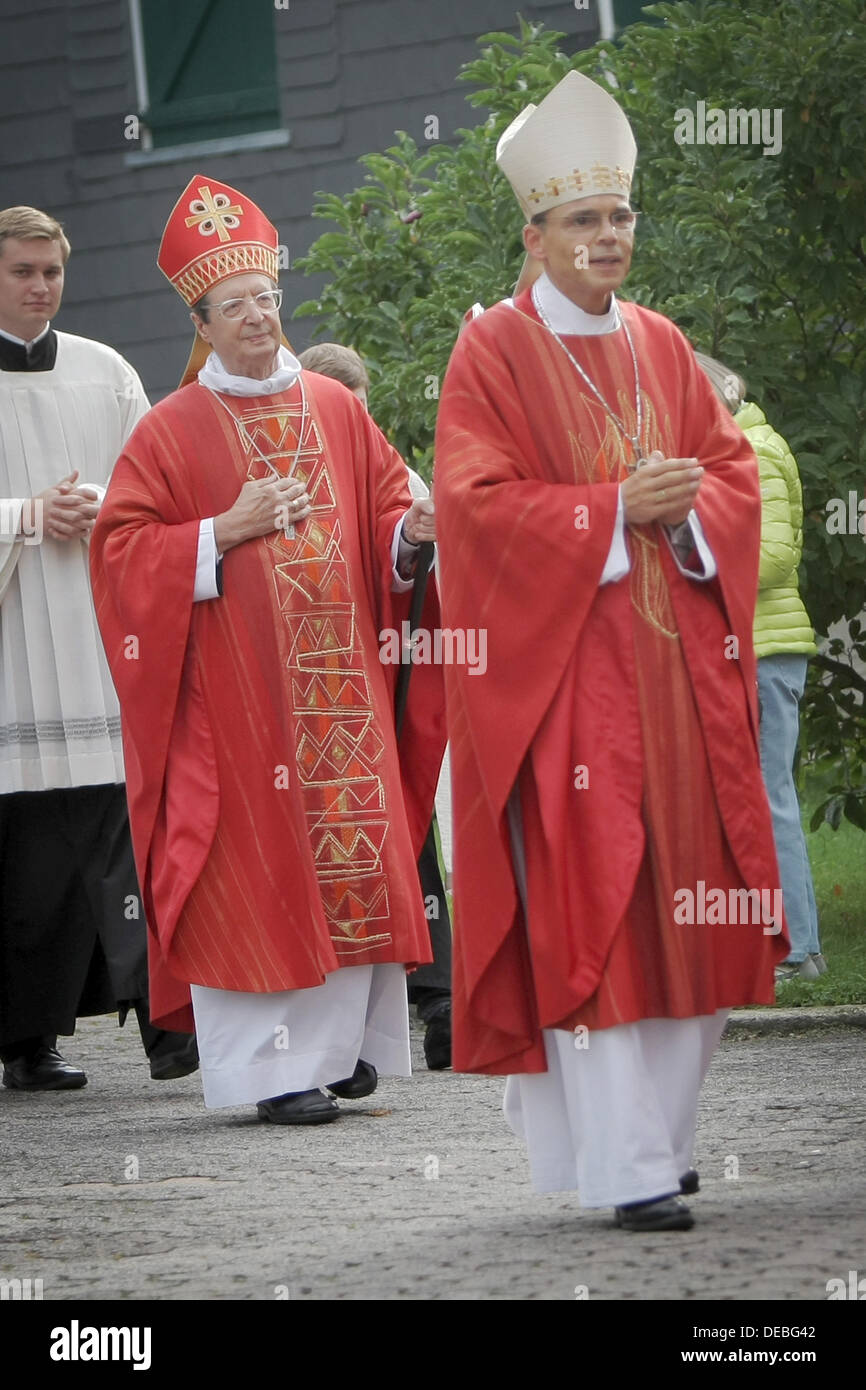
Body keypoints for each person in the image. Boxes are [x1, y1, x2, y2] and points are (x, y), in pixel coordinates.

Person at [434, 72, 788, 1231]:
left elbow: (727, 475)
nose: (606, 236)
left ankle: (660, 1144)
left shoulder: (661, 342)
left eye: (619, 217)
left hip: (679, 684)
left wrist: (684, 513)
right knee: (596, 912)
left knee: (695, 910)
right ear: (533, 235)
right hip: (568, 690)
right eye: (582, 220)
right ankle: (625, 1163)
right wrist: (603, 512)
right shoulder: (490, 351)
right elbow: (473, 507)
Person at [90, 175, 443, 1126]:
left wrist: (412, 533)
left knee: (352, 864)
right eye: (236, 305)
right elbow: (118, 554)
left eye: (269, 300)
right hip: (241, 708)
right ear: (201, 319)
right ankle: (275, 1072)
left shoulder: (334, 404)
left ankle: (340, 1054)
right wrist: (218, 532)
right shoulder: (170, 431)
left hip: (345, 691)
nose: (258, 317)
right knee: (260, 871)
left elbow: (381, 520)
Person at [0, 205, 196, 1092]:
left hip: (92, 633)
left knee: (127, 839)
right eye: (24, 271)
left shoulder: (105, 370)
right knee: (32, 869)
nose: (42, 286)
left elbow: (157, 484)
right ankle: (29, 1040)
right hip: (13, 654)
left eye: (53, 272)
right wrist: (28, 516)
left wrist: (105, 511)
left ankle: (172, 1025)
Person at [299, 342, 453, 1068]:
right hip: (310, 691)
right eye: (338, 411)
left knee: (405, 835)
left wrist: (411, 538)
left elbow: (418, 565)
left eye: (359, 410)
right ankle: (330, 1039)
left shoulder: (394, 473)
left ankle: (439, 997)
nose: (351, 425)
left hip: (385, 678)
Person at [695, 353, 824, 984]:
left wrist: (690, 561)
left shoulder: (756, 449)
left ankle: (797, 949)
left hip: (766, 649)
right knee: (753, 799)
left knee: (770, 798)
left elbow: (772, 557)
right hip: (748, 648)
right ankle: (774, 946)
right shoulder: (736, 448)